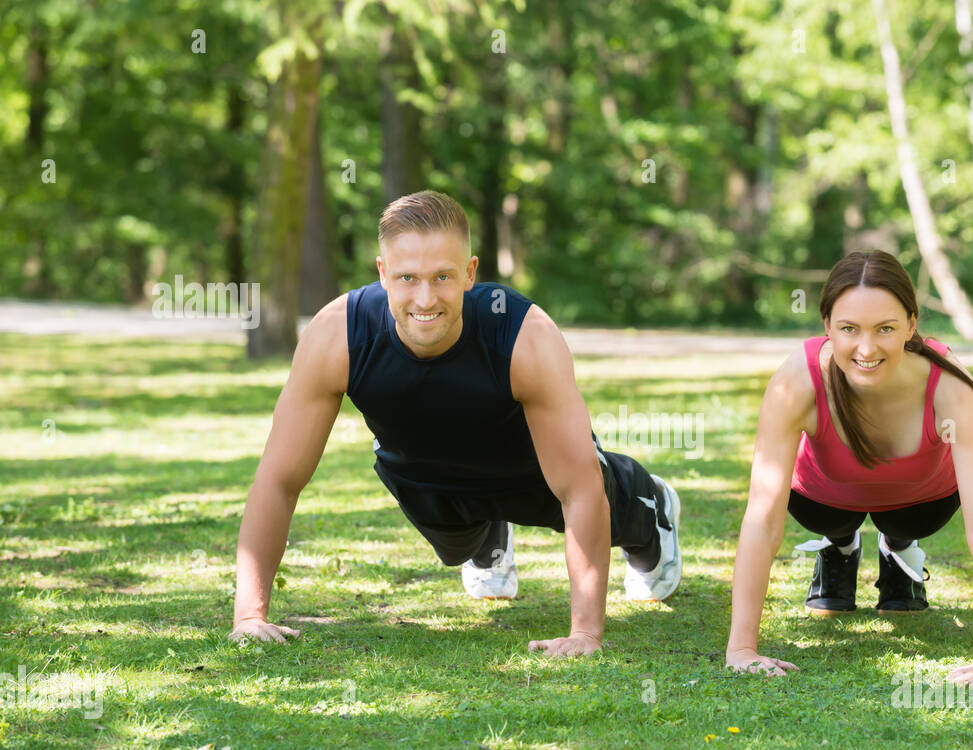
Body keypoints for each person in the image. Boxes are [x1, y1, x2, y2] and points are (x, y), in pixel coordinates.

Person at [229, 190, 682, 657]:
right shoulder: (336, 334)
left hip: (530, 470)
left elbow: (579, 489)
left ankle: (656, 508)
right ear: (383, 274)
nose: (425, 298)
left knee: (606, 493)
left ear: (470, 274)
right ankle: (489, 539)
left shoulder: (524, 334)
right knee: (454, 543)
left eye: (442, 276)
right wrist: (249, 615)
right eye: (408, 277)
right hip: (425, 474)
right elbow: (279, 479)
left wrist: (585, 633)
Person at [723, 249, 973, 683]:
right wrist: (741, 649)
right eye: (849, 329)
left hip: (920, 504)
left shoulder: (952, 389)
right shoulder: (797, 381)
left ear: (911, 324)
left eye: (885, 328)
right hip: (822, 501)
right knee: (830, 521)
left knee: (903, 525)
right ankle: (839, 547)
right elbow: (762, 520)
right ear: (827, 326)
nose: (867, 348)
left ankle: (898, 549)